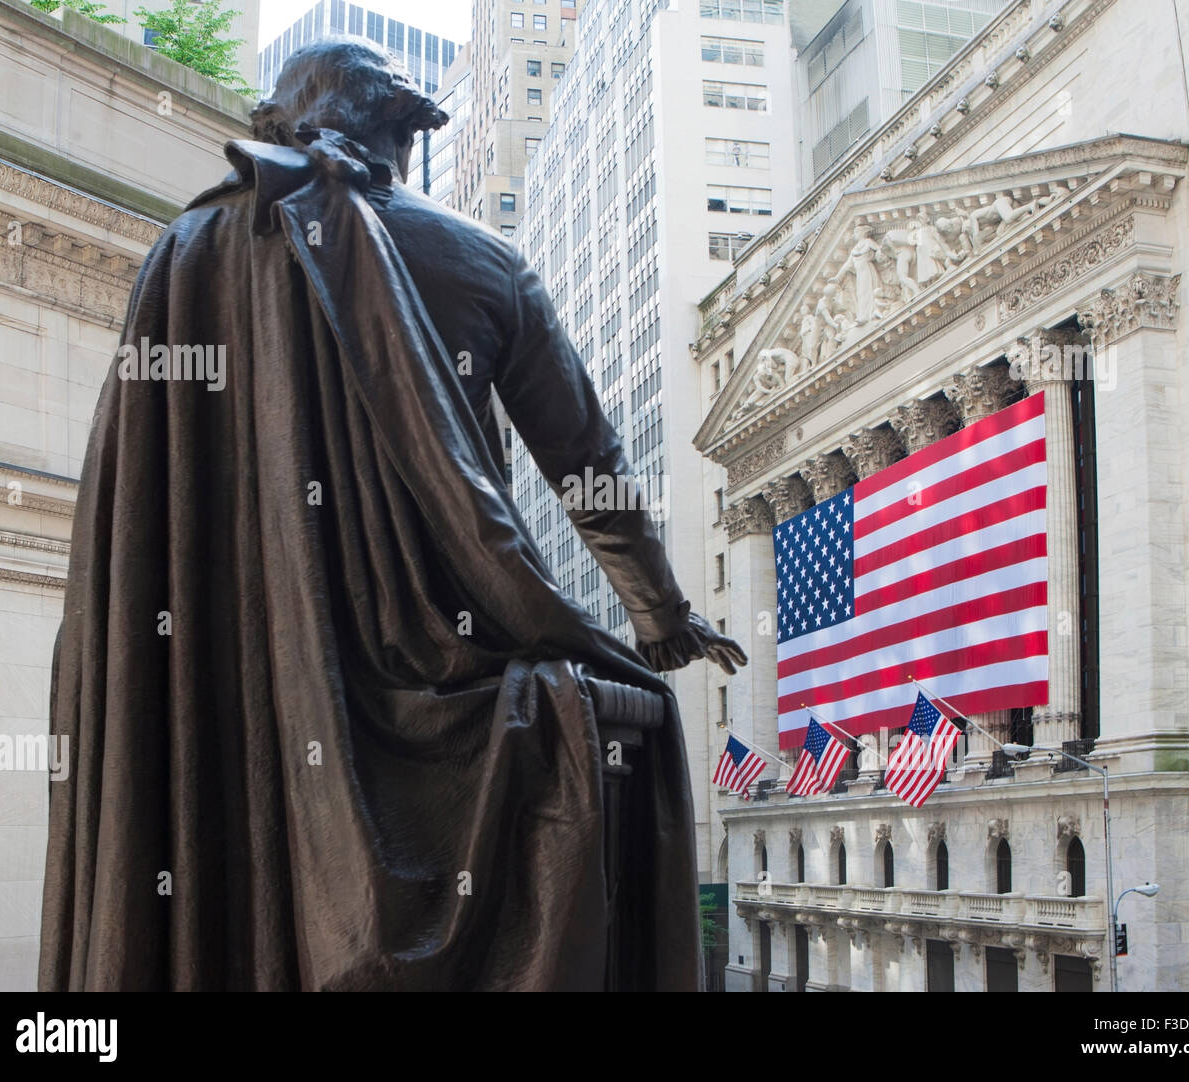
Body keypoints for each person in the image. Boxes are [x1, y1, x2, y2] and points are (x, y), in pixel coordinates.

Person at [39, 37, 744, 992]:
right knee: (627, 712)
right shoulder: (487, 261)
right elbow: (588, 468)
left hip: (252, 670)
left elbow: (137, 508)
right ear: (408, 133)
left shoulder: (186, 253)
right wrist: (659, 617)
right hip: (456, 657)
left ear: (282, 121)